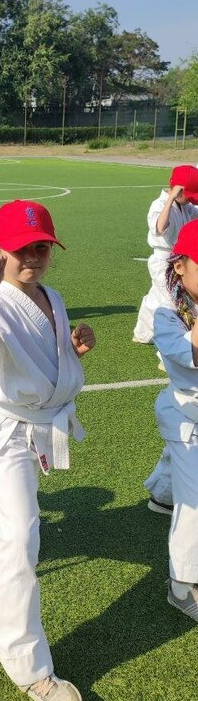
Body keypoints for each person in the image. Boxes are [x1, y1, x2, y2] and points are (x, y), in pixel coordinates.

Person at [0, 200, 95, 701]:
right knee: (20, 537)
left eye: (41, 247)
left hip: (40, 422)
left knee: (12, 509)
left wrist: (76, 347)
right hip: (8, 430)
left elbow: (49, 358)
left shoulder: (50, 295)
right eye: (21, 249)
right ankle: (29, 667)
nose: (32, 257)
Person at [148, 218, 198, 622]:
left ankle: (159, 495)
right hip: (186, 414)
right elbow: (188, 354)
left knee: (179, 472)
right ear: (179, 265)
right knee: (196, 501)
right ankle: (182, 584)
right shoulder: (168, 315)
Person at [133, 165, 198, 344]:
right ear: (178, 190)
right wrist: (170, 199)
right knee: (172, 302)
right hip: (163, 260)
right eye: (189, 196)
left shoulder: (186, 207)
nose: (191, 201)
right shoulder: (160, 205)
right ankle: (168, 349)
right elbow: (160, 228)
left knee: (156, 296)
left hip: (178, 258)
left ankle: (141, 332)